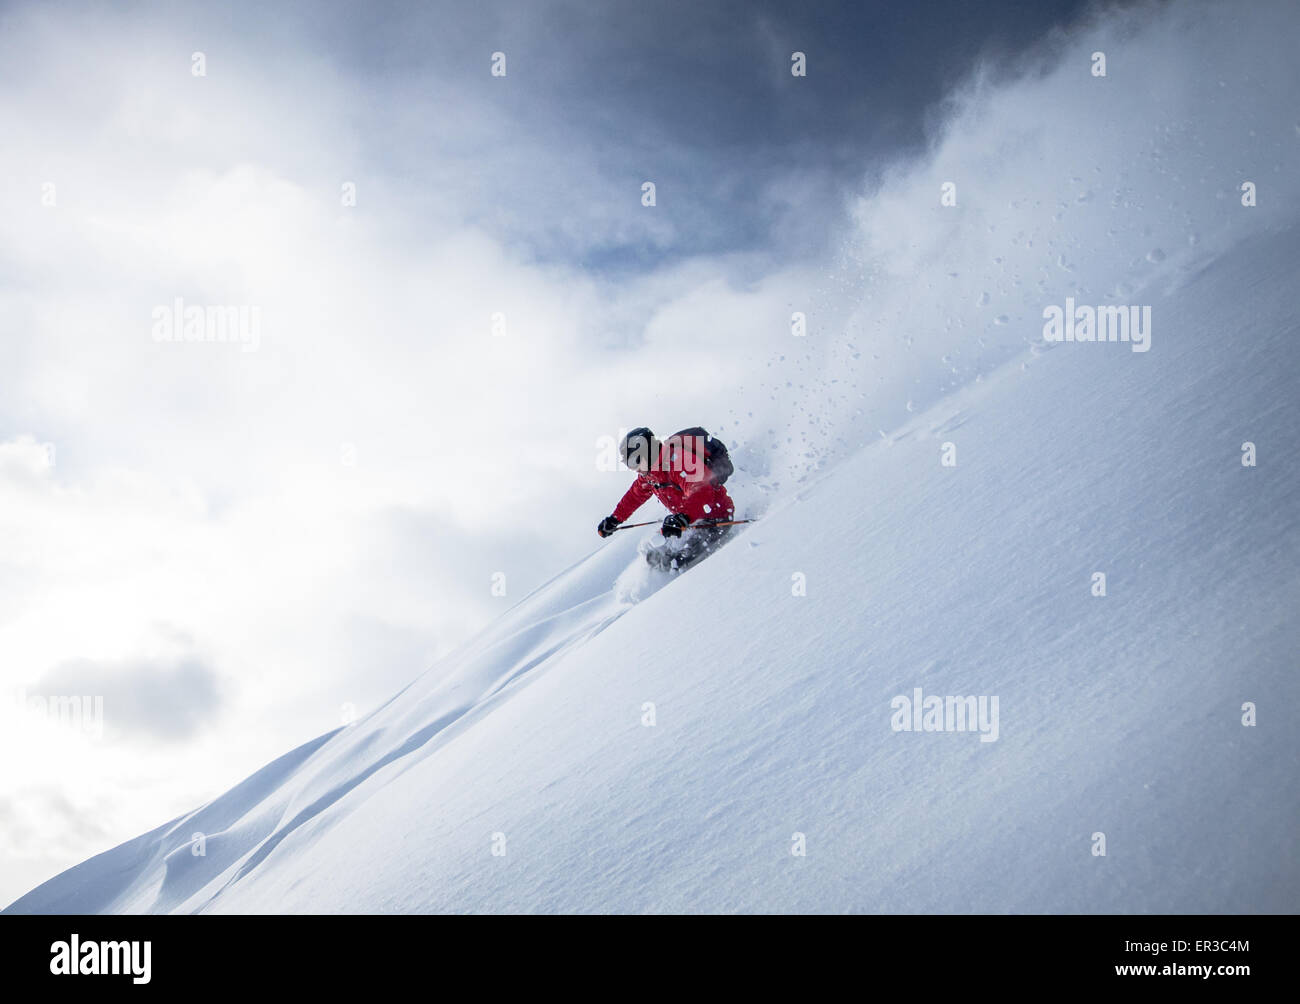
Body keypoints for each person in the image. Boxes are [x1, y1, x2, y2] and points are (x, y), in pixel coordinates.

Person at [596, 427, 736, 571]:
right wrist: (614, 519)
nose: (633, 468)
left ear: (646, 451)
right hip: (688, 523)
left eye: (633, 461)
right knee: (654, 557)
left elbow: (702, 491)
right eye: (628, 464)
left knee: (674, 562)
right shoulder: (651, 474)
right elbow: (634, 496)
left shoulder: (679, 460)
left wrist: (684, 517)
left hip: (715, 520)